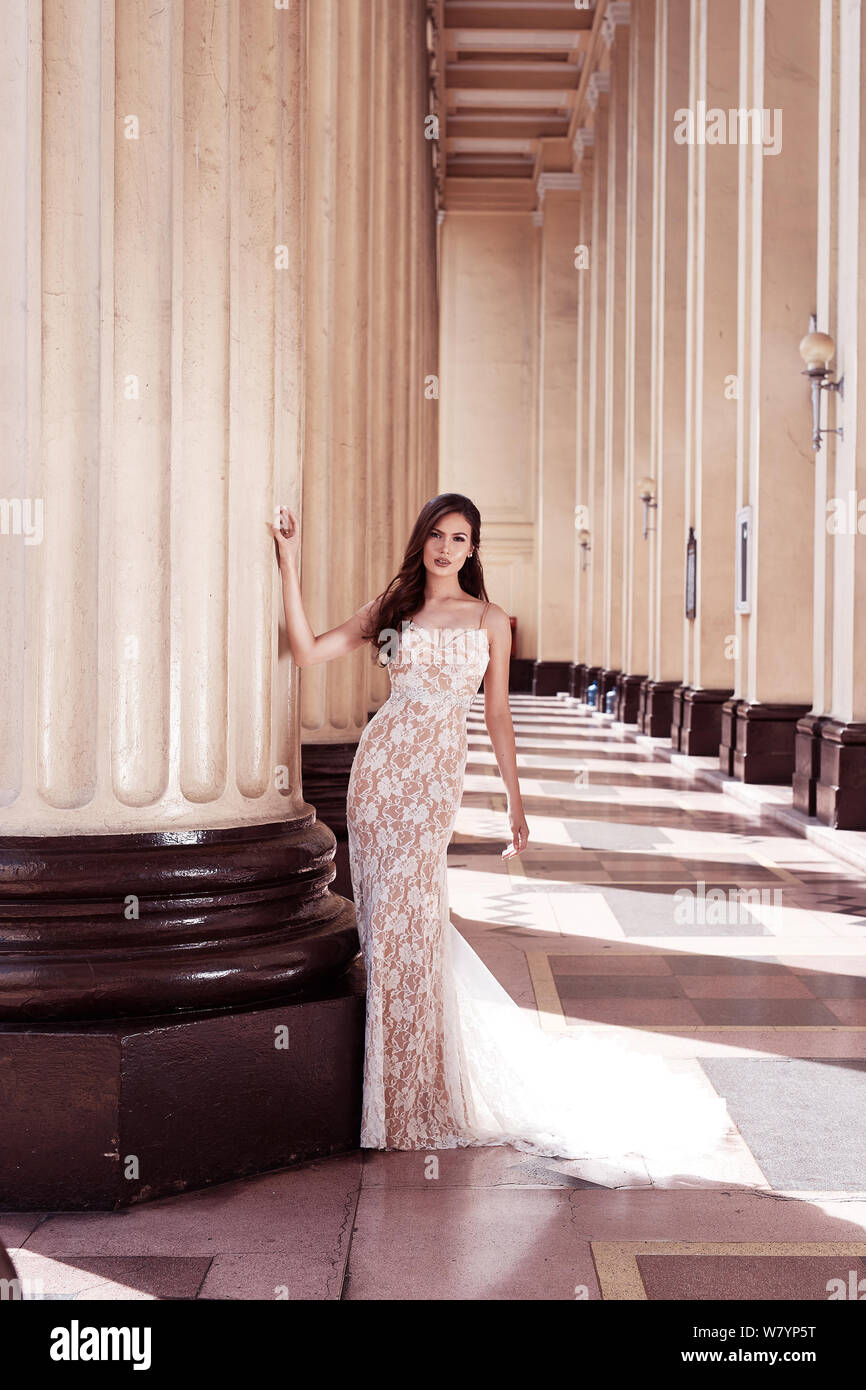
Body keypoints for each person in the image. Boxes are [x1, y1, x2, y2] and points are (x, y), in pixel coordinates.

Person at [272, 492, 730, 1163]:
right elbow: (309, 653)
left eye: (459, 538)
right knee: (382, 921)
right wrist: (288, 559)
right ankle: (390, 1092)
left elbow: (497, 717)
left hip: (435, 778)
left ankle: (417, 1093)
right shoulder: (393, 610)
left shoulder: (490, 620)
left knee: (415, 916)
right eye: (436, 534)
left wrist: (516, 801)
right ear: (421, 539)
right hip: (378, 772)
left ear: (473, 548)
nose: (445, 548)